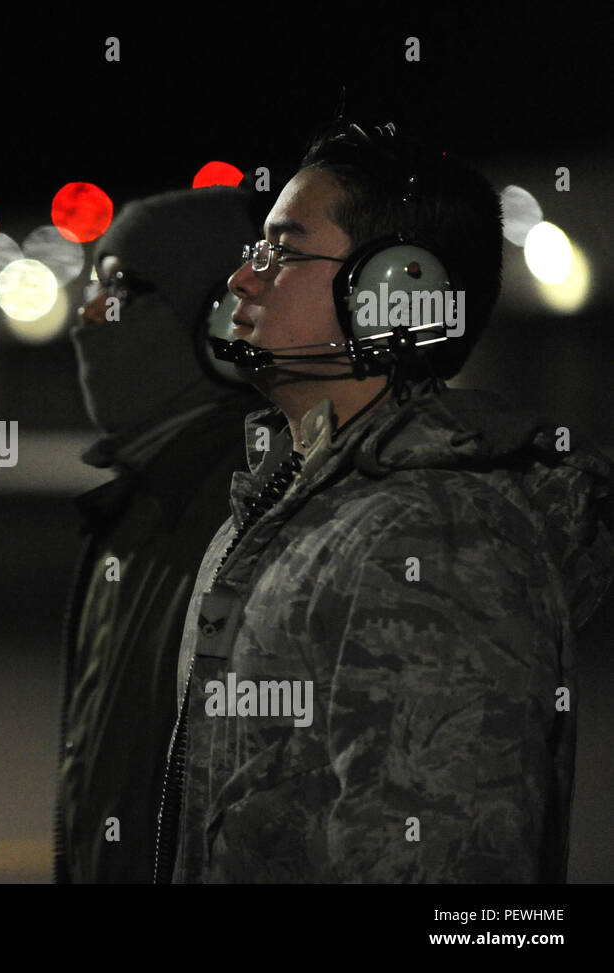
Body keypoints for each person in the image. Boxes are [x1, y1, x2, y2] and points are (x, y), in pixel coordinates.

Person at [155, 122, 614, 883]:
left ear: (394, 291)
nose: (243, 278)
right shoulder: (293, 500)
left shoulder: (439, 546)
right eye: (255, 250)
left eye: (284, 250)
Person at [56, 186, 265, 882]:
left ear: (224, 326)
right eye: (94, 285)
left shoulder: (247, 515)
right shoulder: (143, 499)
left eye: (123, 289)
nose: (90, 315)